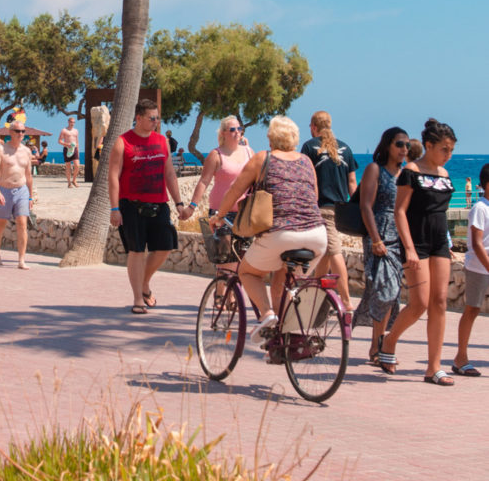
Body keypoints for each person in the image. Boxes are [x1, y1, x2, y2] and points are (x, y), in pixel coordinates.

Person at [210, 115, 328, 339]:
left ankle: (267, 314)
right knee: (282, 275)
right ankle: (283, 337)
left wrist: (219, 216)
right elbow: (314, 197)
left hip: (282, 234)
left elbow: (235, 191)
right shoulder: (306, 161)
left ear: (270, 137)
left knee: (246, 271)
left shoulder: (263, 158)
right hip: (317, 235)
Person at [377, 119, 457, 385]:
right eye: (444, 149)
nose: (448, 154)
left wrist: (449, 245)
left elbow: (440, 213)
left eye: (452, 150)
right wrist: (408, 248)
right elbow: (399, 211)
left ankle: (434, 367)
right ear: (429, 145)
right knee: (420, 303)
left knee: (440, 302)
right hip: (416, 243)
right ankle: (388, 341)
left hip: (440, 243)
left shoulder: (444, 175)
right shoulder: (411, 171)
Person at [108, 100, 190, 313]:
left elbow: (170, 174)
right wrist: (114, 208)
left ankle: (144, 283)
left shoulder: (162, 141)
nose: (155, 122)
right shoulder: (123, 142)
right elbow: (113, 176)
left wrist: (179, 203)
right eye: (151, 118)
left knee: (164, 247)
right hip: (131, 206)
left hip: (159, 204)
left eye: (157, 118)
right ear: (139, 118)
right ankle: (138, 299)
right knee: (136, 251)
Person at [354, 127, 409, 362]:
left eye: (407, 145)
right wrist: (375, 239)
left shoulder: (406, 174)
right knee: (386, 291)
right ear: (387, 145)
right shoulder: (374, 169)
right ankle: (380, 346)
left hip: (399, 239)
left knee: (392, 294)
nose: (404, 149)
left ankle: (377, 345)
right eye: (399, 144)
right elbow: (366, 205)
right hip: (379, 236)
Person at [300, 110, 358, 312]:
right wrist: (357, 207)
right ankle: (316, 297)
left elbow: (304, 179)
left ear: (314, 127)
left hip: (322, 208)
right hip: (341, 209)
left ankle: (347, 300)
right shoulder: (346, 148)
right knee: (323, 252)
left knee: (334, 252)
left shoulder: (309, 147)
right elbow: (352, 183)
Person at [454, 162, 489, 376]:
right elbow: (476, 243)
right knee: (472, 309)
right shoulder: (480, 208)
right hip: (478, 267)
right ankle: (460, 357)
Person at [187, 116, 254, 226]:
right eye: (232, 130)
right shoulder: (215, 155)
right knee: (223, 243)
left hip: (245, 212)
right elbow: (204, 181)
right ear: (223, 133)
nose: (237, 132)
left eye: (239, 129)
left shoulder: (249, 152)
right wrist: (192, 206)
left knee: (246, 244)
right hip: (220, 213)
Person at [0, 121, 34, 269]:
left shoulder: (27, 151)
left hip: (21, 190)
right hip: (4, 190)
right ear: (10, 132)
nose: (21, 134)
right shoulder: (1, 150)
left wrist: (30, 196)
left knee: (22, 224)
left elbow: (29, 176)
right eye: (17, 131)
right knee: (1, 224)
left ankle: (21, 260)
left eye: (23, 131)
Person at [59, 116, 80, 188]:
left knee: (77, 165)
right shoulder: (64, 130)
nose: (72, 123)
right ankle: (69, 183)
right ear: (68, 122)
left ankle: (74, 180)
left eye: (74, 122)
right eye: (71, 122)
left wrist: (78, 150)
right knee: (68, 166)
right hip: (67, 149)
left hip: (75, 149)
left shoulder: (76, 131)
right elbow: (59, 141)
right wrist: (67, 144)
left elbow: (77, 141)